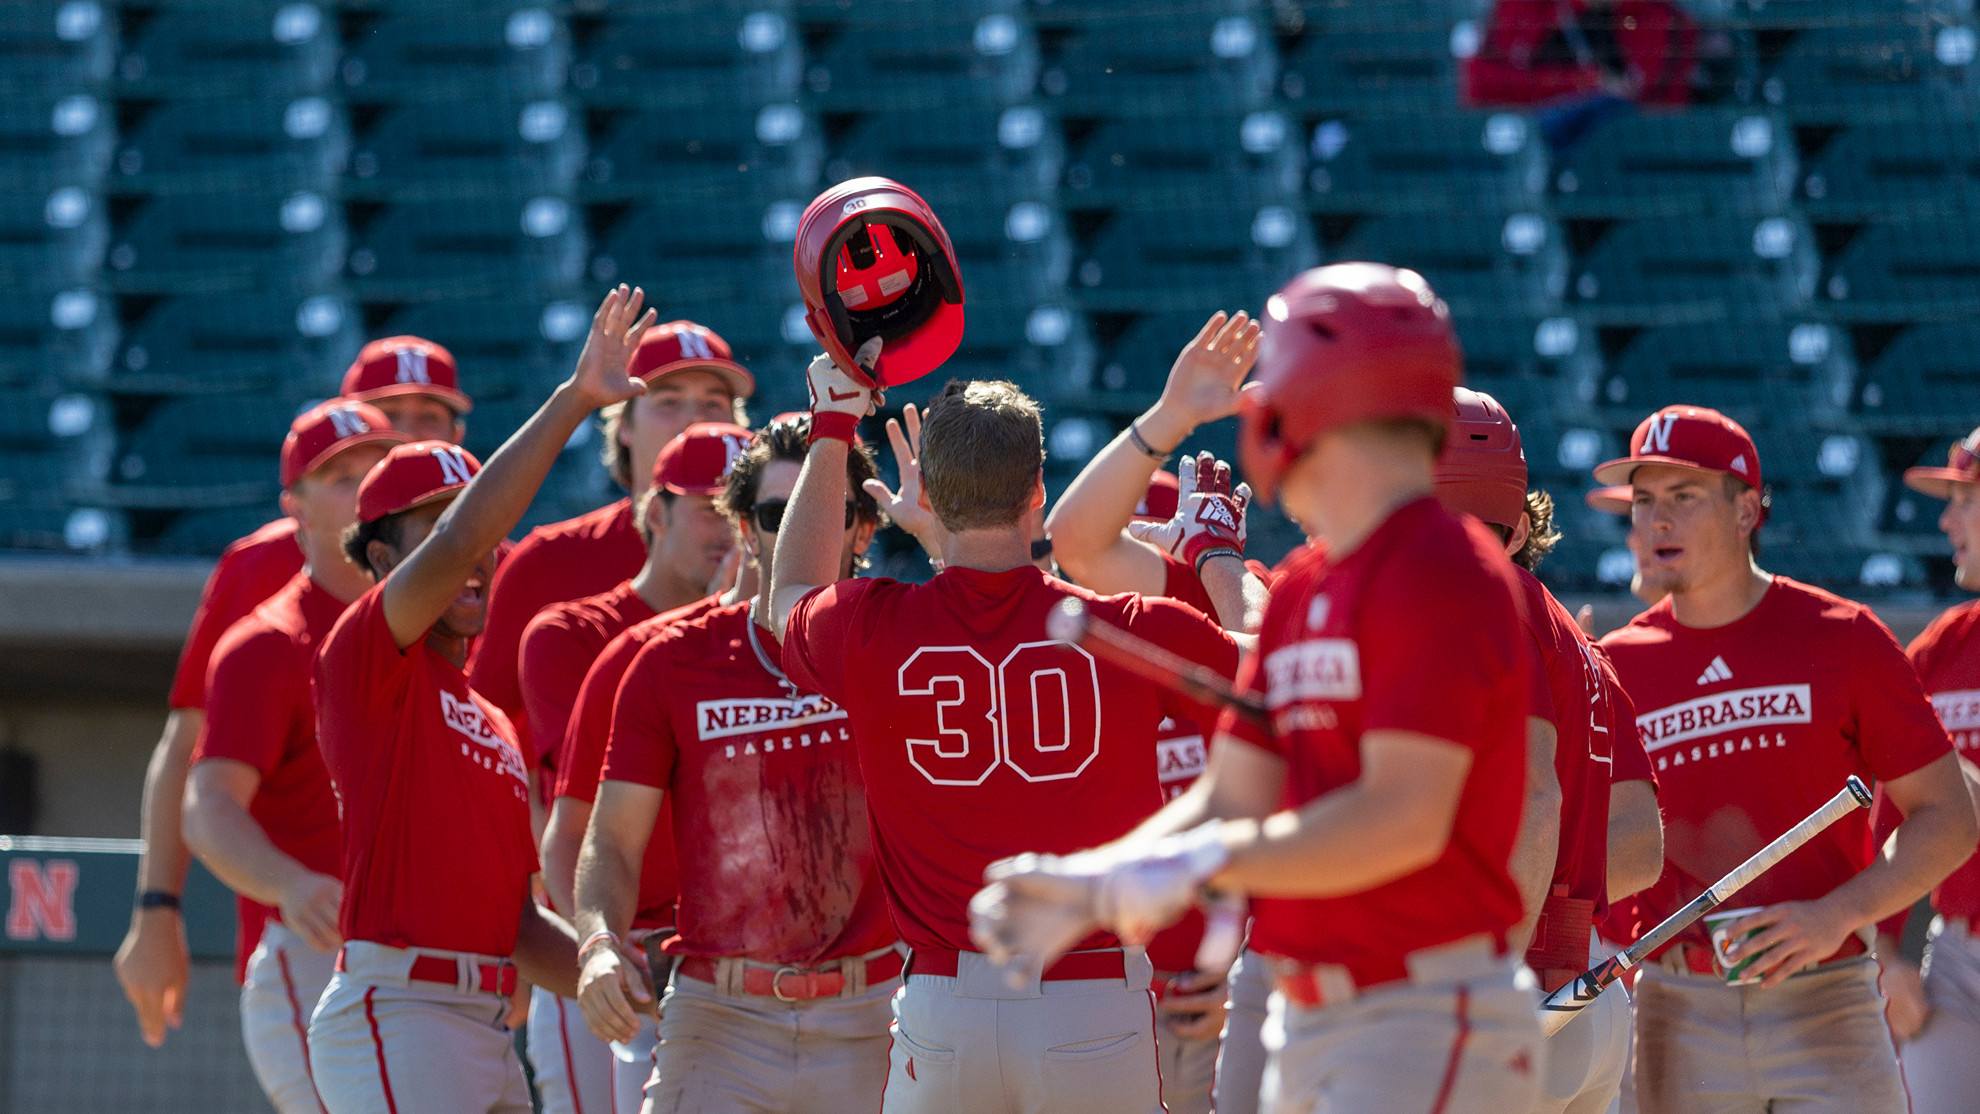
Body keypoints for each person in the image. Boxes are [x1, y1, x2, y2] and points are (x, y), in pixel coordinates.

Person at [970, 263, 1544, 1114]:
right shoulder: (1309, 583)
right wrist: (1095, 881)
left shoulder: (1443, 570)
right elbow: (1233, 794)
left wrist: (1191, 865)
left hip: (1422, 1014)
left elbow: (1401, 818)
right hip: (1311, 1014)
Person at [767, 357, 1241, 1113]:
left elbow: (784, 595)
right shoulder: (1129, 628)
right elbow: (1271, 679)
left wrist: (831, 427)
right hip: (1092, 1000)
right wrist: (1213, 557)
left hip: (943, 1004)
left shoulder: (867, 625)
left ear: (933, 496)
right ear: (1038, 495)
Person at [305, 286, 653, 1114]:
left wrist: (621, 973)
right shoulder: (365, 657)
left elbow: (515, 926)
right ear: (382, 557)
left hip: (485, 1018)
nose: (473, 553)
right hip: (399, 1008)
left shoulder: (492, 719)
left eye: (481, 537)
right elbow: (465, 537)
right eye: (432, 530)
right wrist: (576, 400)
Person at [1592, 404, 1976, 1114]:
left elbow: (1948, 818)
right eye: (1644, 502)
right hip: (1677, 1005)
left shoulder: (1845, 638)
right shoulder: (1614, 667)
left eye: (1684, 496)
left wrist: (1837, 915)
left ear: (1745, 511)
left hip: (1829, 998)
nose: (1656, 521)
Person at [115, 336, 474, 1050]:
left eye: (426, 417)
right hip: (313, 929)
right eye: (384, 417)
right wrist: (158, 904)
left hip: (453, 937)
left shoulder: (477, 568)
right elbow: (191, 754)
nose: (404, 438)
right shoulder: (263, 578)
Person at [575, 414, 898, 1112]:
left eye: (827, 510)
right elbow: (612, 841)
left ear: (865, 530)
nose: (795, 528)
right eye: (775, 512)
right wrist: (597, 941)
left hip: (879, 1012)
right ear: (746, 528)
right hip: (720, 1019)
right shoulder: (668, 662)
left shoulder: (900, 641)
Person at [1027, 312, 1270, 1114]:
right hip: (1103, 989)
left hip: (1225, 991)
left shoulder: (1229, 602)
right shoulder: (1074, 636)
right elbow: (1078, 542)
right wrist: (1169, 421)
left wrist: (1243, 975)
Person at [1433, 388, 1664, 1114]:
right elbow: (1639, 849)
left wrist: (1494, 975)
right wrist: (1557, 903)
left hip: (1509, 995)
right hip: (1586, 992)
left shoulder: (1472, 610)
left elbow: (1537, 803)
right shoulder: (1578, 639)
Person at [179, 401, 407, 1114]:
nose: (362, 487)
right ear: (295, 509)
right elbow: (208, 804)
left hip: (426, 957)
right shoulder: (267, 643)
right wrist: (288, 882)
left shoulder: (438, 627)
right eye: (338, 476)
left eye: (374, 469)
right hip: (319, 954)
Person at [523, 421, 750, 1114]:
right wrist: (597, 944)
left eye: (742, 511)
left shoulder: (776, 643)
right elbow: (583, 818)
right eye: (707, 508)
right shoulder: (576, 634)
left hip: (739, 966)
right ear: (655, 511)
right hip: (614, 956)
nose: (728, 531)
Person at [472, 321, 754, 765]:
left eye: (713, 402)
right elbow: (484, 731)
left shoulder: (775, 555)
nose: (693, 419)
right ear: (623, 425)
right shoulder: (546, 561)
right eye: (668, 401)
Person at [1867, 428, 1980, 1114]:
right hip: (1958, 964)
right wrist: (1884, 952)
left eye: (1966, 498)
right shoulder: (1943, 647)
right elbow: (1891, 814)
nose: (1946, 520)